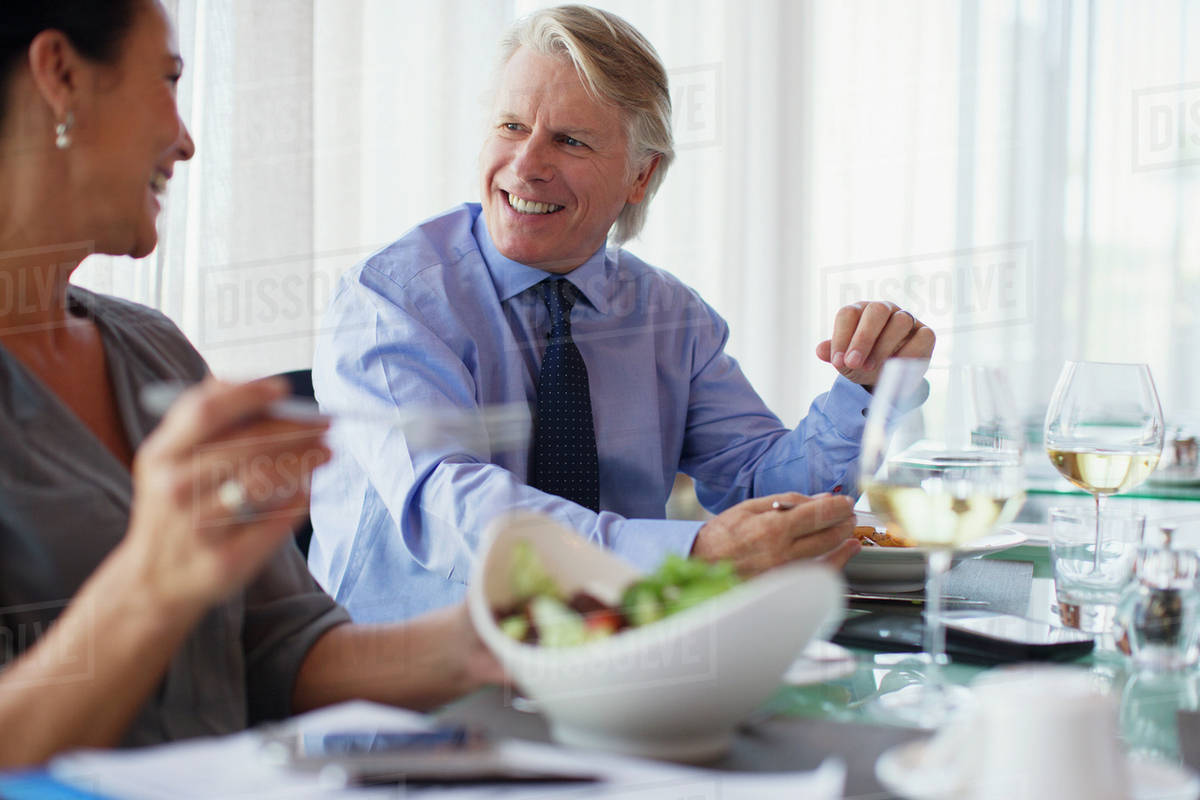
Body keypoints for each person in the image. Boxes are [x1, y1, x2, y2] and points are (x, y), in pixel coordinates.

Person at [309, 4, 935, 622]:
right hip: (417, 701)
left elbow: (764, 489)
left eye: (569, 140)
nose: (525, 165)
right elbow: (445, 505)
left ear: (642, 175)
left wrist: (866, 388)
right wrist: (692, 553)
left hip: (624, 672)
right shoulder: (390, 302)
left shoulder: (670, 319)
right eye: (509, 127)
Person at [0, 0, 499, 769]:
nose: (186, 139)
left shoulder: (153, 350)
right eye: (167, 81)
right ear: (61, 75)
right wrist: (153, 582)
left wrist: (507, 636)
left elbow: (285, 654)